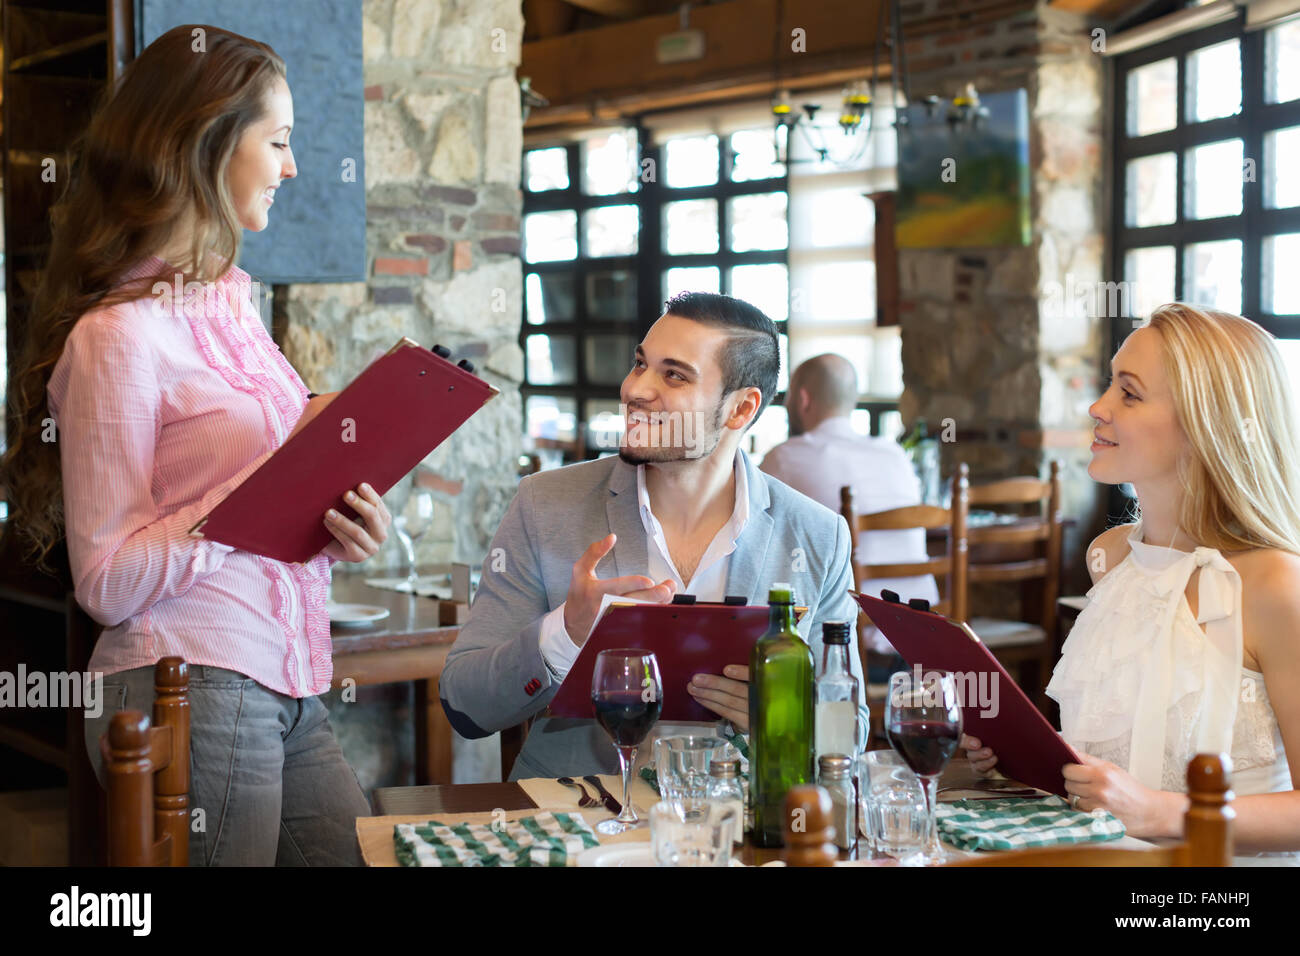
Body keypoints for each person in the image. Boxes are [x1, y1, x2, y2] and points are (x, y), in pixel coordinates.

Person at [2, 26, 391, 865]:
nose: (292, 168)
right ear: (207, 142)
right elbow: (106, 583)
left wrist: (336, 522)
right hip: (189, 678)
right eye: (279, 141)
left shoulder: (233, 314)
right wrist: (267, 484)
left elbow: (258, 513)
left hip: (283, 681)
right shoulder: (116, 339)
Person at [440, 293, 862, 779]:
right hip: (580, 821)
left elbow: (847, 730)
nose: (634, 389)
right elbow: (464, 707)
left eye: (674, 374)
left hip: (746, 824)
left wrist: (787, 717)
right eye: (639, 364)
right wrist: (565, 634)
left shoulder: (819, 534)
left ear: (741, 409)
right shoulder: (544, 504)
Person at [963, 303, 1300, 864]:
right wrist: (1030, 760)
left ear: (1204, 424)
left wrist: (1159, 811)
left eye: (1130, 393)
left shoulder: (1276, 585)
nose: (1098, 408)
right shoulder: (1109, 557)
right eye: (1108, 386)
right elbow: (1116, 762)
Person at [759, 353, 938, 675]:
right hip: (925, 638)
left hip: (851, 647)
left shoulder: (784, 458)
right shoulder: (895, 454)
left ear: (802, 398)